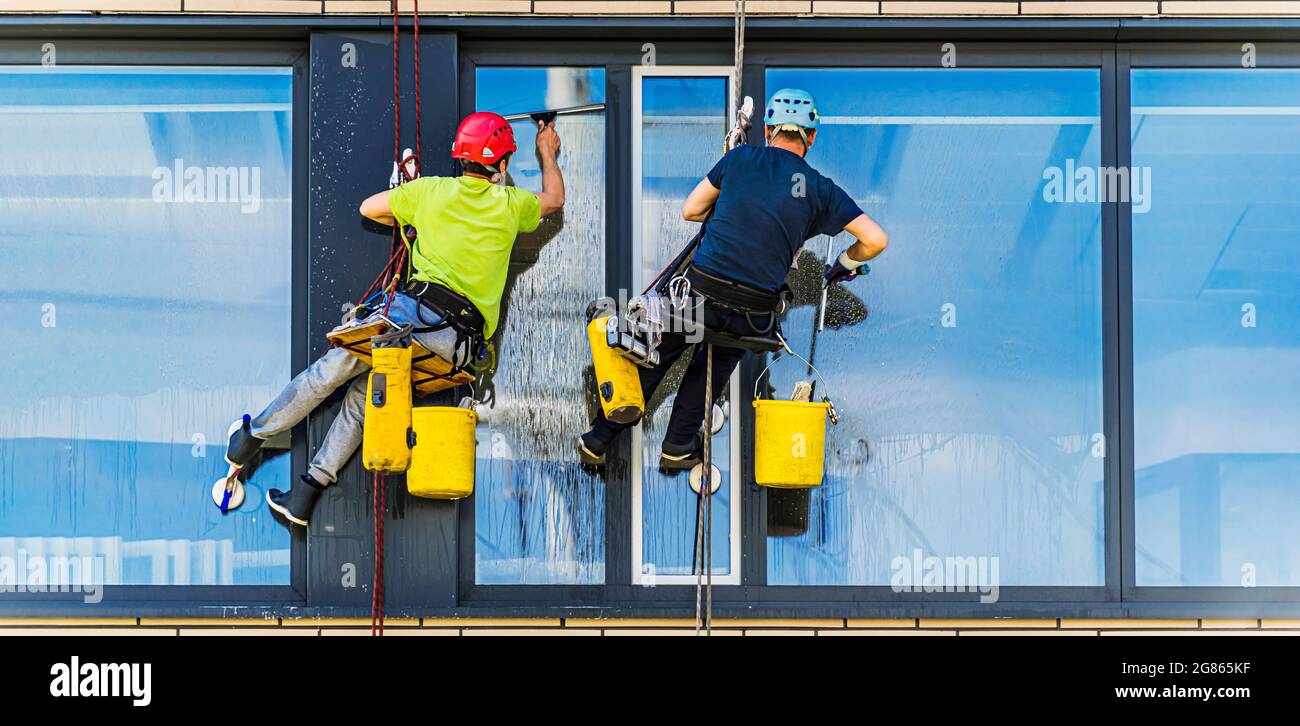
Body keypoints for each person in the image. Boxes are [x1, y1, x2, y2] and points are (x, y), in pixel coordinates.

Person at [224, 112, 564, 525]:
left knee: (331, 371)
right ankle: (305, 495)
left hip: (411, 321)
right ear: (503, 164)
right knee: (364, 396)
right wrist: (547, 152)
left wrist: (411, 213)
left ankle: (251, 436)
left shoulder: (430, 192)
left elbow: (368, 209)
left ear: (459, 158)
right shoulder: (512, 205)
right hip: (456, 349)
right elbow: (555, 199)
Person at [578, 88, 888, 469]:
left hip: (700, 293)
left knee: (661, 350)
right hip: (752, 313)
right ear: (811, 136)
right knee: (722, 351)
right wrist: (843, 263)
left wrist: (732, 204)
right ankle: (678, 444)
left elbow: (691, 210)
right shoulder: (820, 188)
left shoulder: (740, 159)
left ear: (769, 130)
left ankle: (599, 437)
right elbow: (876, 239)